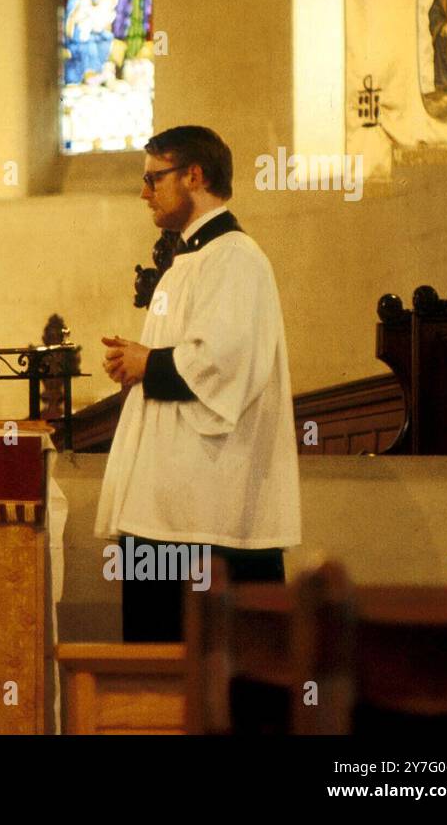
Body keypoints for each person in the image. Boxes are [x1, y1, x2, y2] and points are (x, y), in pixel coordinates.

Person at [95, 125, 300, 642]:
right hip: (168, 509)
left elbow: (226, 362)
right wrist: (137, 363)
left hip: (207, 515)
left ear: (194, 175)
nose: (145, 193)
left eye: (153, 179)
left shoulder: (235, 258)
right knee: (154, 680)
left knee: (206, 675)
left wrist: (150, 364)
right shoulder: (190, 260)